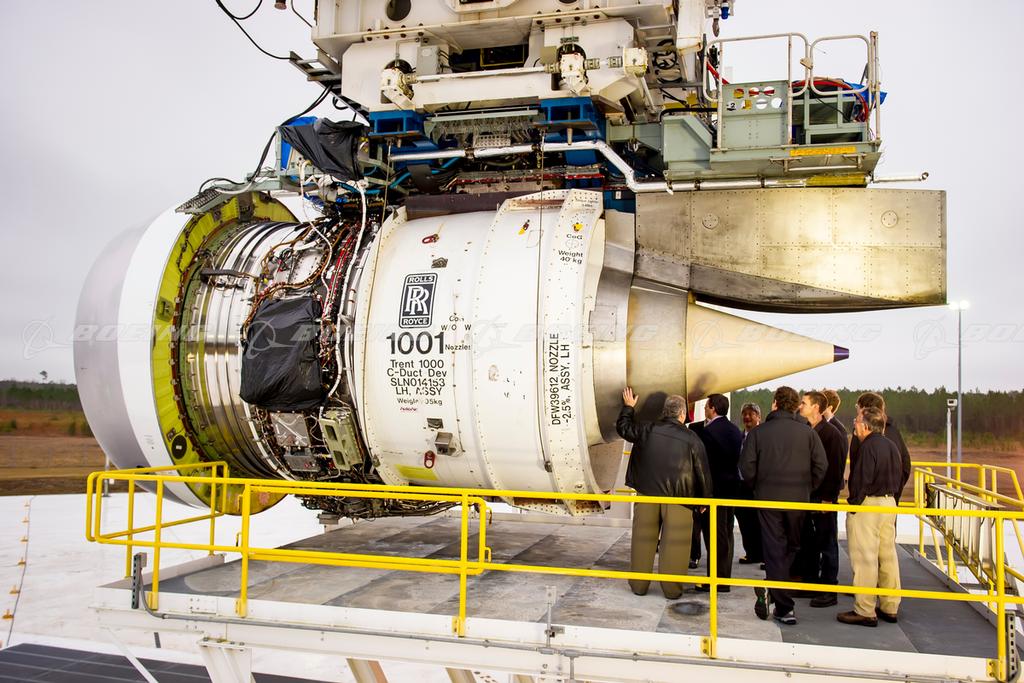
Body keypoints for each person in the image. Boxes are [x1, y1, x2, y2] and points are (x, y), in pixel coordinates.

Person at [739, 386, 827, 625]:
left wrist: (758, 486)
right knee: (791, 546)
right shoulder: (808, 433)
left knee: (775, 548)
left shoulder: (759, 433)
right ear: (795, 405)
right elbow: (821, 466)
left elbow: (746, 468)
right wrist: (807, 488)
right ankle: (782, 604)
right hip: (798, 501)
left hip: (767, 499)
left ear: (775, 403)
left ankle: (777, 596)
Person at [617, 388, 713, 599]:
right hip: (679, 499)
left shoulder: (647, 429)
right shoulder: (692, 439)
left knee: (642, 540)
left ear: (665, 412)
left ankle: (639, 585)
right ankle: (672, 590)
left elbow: (624, 429)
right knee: (675, 545)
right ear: (682, 415)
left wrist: (629, 407)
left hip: (647, 494)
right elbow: (702, 473)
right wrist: (705, 500)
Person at [838, 407, 903, 627]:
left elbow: (861, 479)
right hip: (889, 503)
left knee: (865, 558)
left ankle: (865, 609)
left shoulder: (867, 447)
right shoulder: (891, 445)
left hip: (869, 505)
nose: (854, 425)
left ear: (865, 425)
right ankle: (890, 605)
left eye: (855, 421)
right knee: (888, 557)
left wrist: (854, 504)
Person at [688, 394, 744, 592]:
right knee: (726, 534)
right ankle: (723, 578)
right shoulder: (735, 430)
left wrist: (703, 495)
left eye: (706, 406)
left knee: (714, 537)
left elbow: (706, 467)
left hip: (715, 492)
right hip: (731, 490)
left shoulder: (708, 433)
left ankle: (717, 581)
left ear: (712, 408)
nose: (704, 410)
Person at [797, 391, 848, 608]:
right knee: (809, 542)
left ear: (816, 407)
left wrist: (828, 499)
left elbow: (836, 470)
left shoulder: (832, 434)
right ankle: (810, 583)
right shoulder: (809, 430)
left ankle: (829, 590)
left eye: (804, 403)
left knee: (827, 544)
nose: (800, 406)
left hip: (824, 499)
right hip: (809, 497)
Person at [849, 392, 912, 503]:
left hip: (866, 502)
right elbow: (905, 464)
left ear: (865, 408)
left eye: (857, 407)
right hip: (889, 501)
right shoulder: (894, 432)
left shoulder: (864, 435)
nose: (857, 410)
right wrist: (893, 495)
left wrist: (856, 501)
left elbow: (860, 471)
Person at [735, 403, 764, 565]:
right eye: (744, 414)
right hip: (741, 486)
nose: (747, 417)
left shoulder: (763, 436)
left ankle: (763, 554)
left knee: (760, 523)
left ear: (758, 417)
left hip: (758, 486)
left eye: (751, 414)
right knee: (745, 522)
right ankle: (751, 553)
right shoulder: (739, 437)